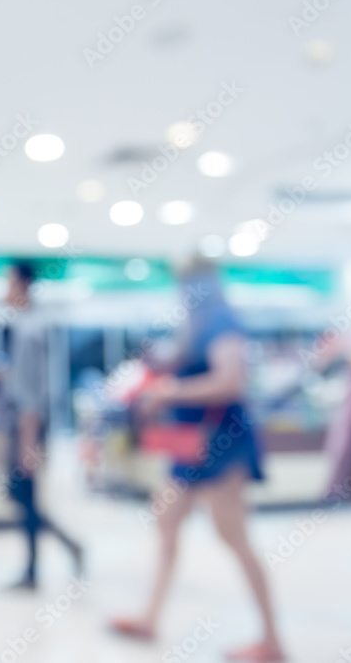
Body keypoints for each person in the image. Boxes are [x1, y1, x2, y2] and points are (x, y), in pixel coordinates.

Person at [110, 257, 284, 662]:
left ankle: (272, 641)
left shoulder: (221, 322)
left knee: (233, 535)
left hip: (221, 445)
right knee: (167, 520)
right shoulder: (199, 325)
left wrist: (170, 391)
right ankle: (150, 616)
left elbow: (230, 381)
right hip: (192, 447)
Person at [0, 261, 83, 590]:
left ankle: (35, 569)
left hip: (28, 426)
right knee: (21, 496)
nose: (5, 290)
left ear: (23, 285)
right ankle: (67, 547)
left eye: (9, 283)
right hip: (24, 423)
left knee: (26, 497)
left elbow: (33, 393)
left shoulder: (31, 329)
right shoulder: (25, 325)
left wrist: (28, 439)